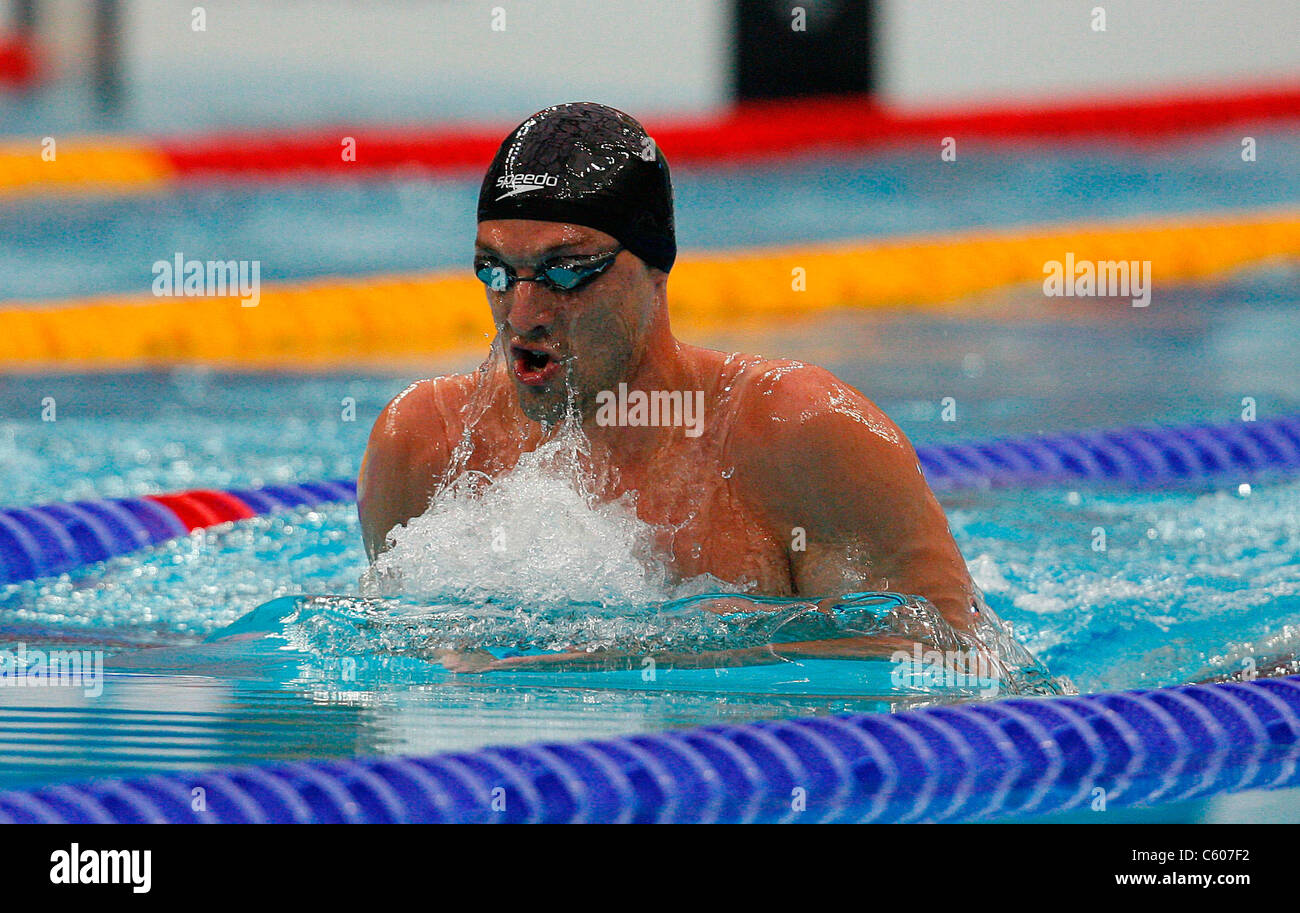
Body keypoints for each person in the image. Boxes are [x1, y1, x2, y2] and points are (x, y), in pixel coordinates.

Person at [358, 102, 981, 671]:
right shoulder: (423, 444)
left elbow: (960, 656)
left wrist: (643, 660)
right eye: (495, 271)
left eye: (567, 271)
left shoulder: (798, 432)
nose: (522, 315)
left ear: (655, 265)